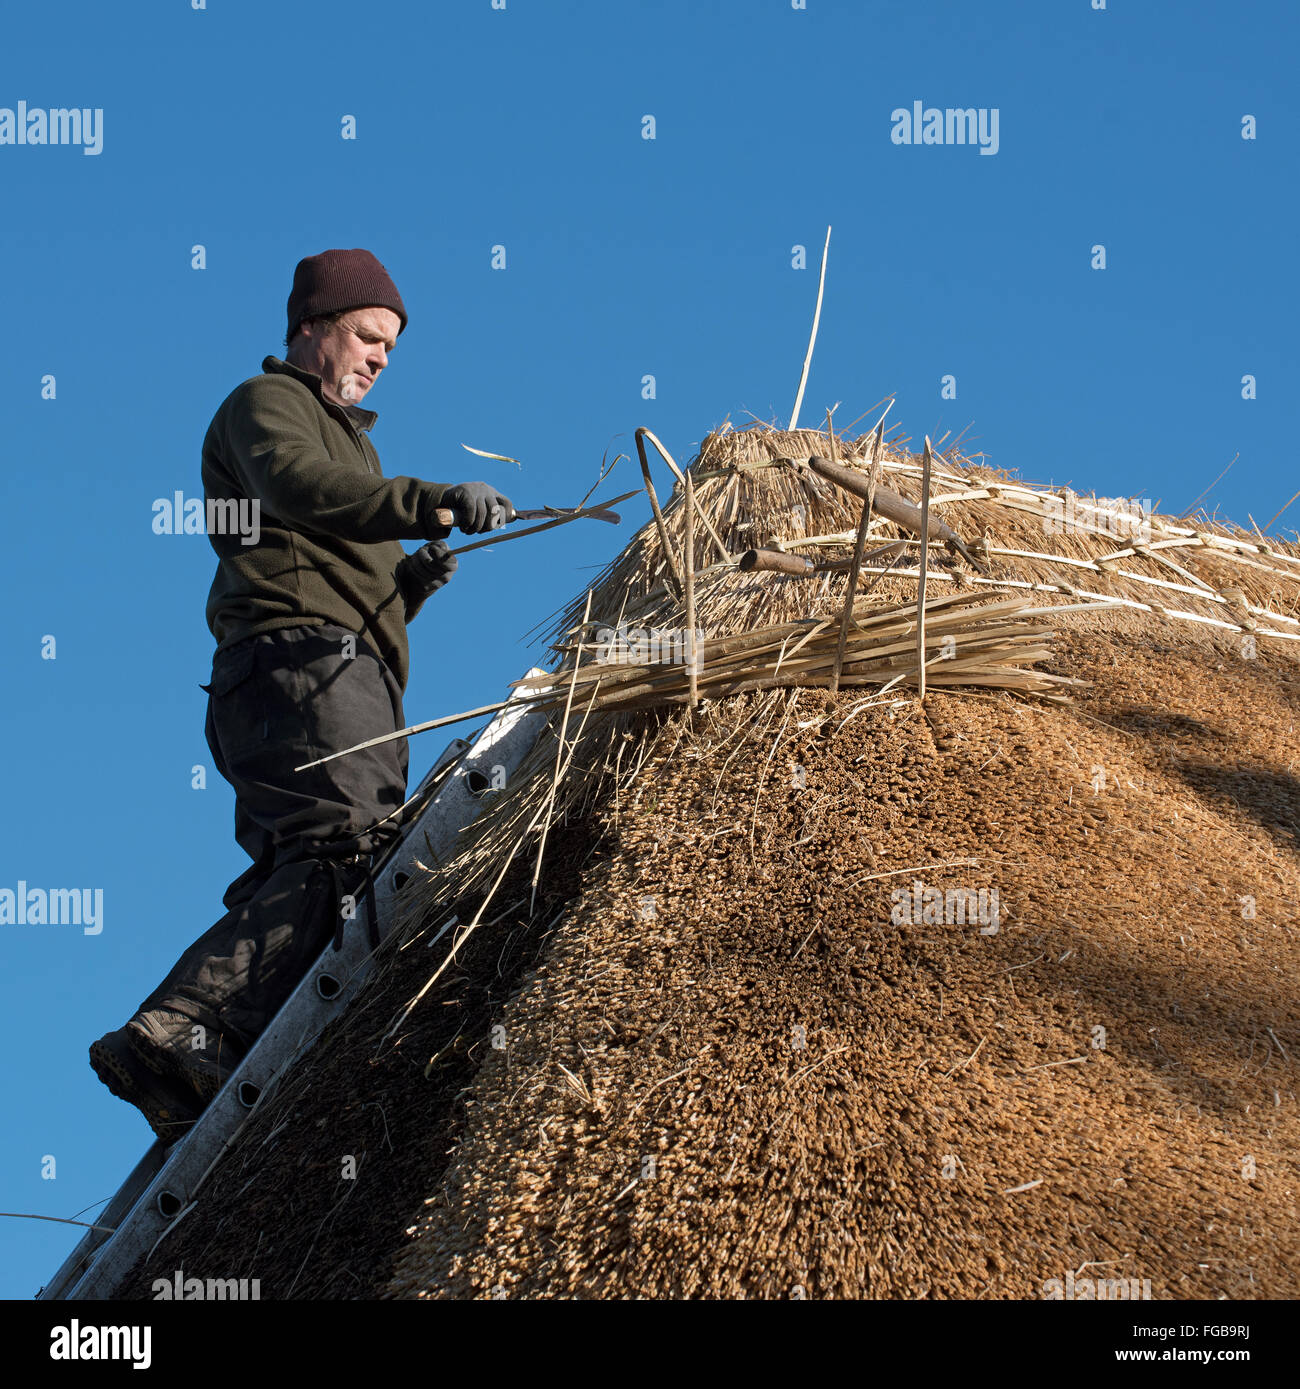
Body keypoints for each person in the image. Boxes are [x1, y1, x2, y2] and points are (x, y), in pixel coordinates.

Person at [90, 248, 512, 1141]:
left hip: (318, 671)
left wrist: (408, 587)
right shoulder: (268, 404)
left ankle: (208, 1060)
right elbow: (301, 489)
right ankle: (174, 1030)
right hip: (301, 671)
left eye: (392, 348)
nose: (379, 357)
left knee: (307, 872)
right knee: (345, 857)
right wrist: (430, 500)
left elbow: (321, 553)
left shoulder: (355, 443)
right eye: (367, 336)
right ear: (312, 329)